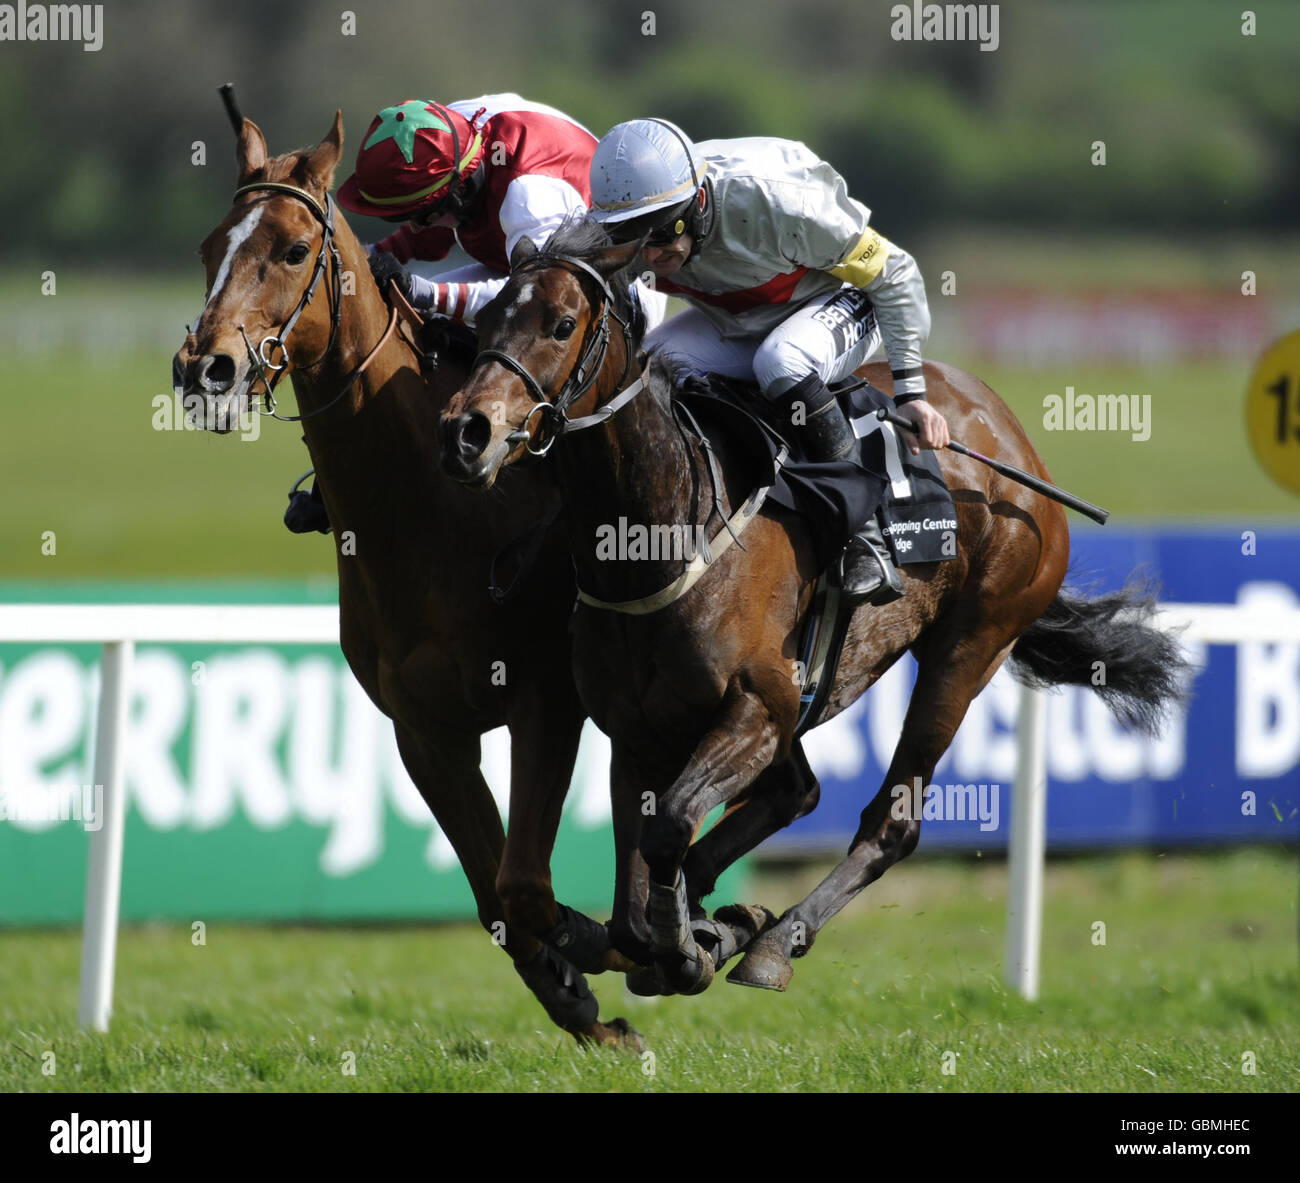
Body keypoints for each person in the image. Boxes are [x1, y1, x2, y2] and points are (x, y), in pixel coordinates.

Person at [587, 118, 949, 605]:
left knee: (781, 360)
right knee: (652, 363)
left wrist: (912, 394)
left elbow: (894, 272)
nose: (649, 255)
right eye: (634, 239)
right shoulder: (622, 227)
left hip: (839, 298)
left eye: (662, 234)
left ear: (695, 201)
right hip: (743, 315)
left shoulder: (777, 203)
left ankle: (864, 535)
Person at [285, 94, 664, 533]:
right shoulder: (444, 137)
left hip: (597, 301)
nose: (419, 225)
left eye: (424, 214)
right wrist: (376, 260)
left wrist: (426, 291)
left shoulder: (528, 197)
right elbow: (426, 235)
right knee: (406, 315)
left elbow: (533, 309)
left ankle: (547, 508)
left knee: (444, 316)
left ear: (460, 188)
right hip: (524, 266)